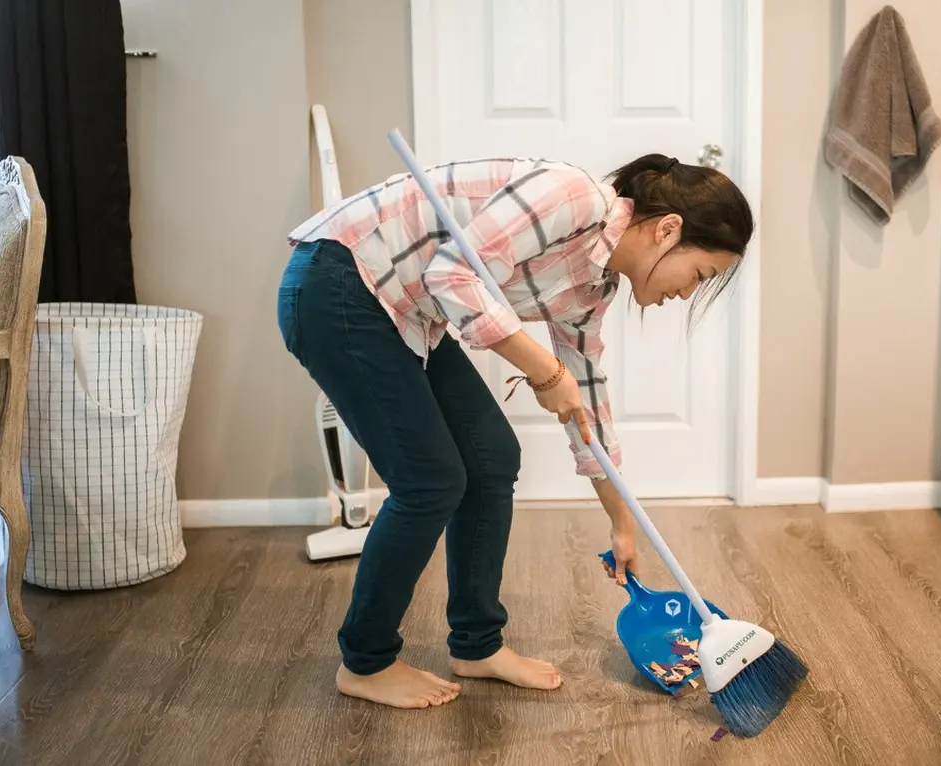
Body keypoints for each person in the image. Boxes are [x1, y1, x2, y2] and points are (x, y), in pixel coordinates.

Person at [277, 153, 753, 710]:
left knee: (491, 459)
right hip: (339, 282)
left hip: (405, 310)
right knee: (430, 483)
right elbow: (450, 274)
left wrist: (623, 524)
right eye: (699, 275)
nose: (688, 293)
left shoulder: (592, 289)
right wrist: (542, 369)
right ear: (668, 229)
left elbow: (588, 406)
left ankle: (475, 646)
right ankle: (366, 660)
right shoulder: (574, 197)